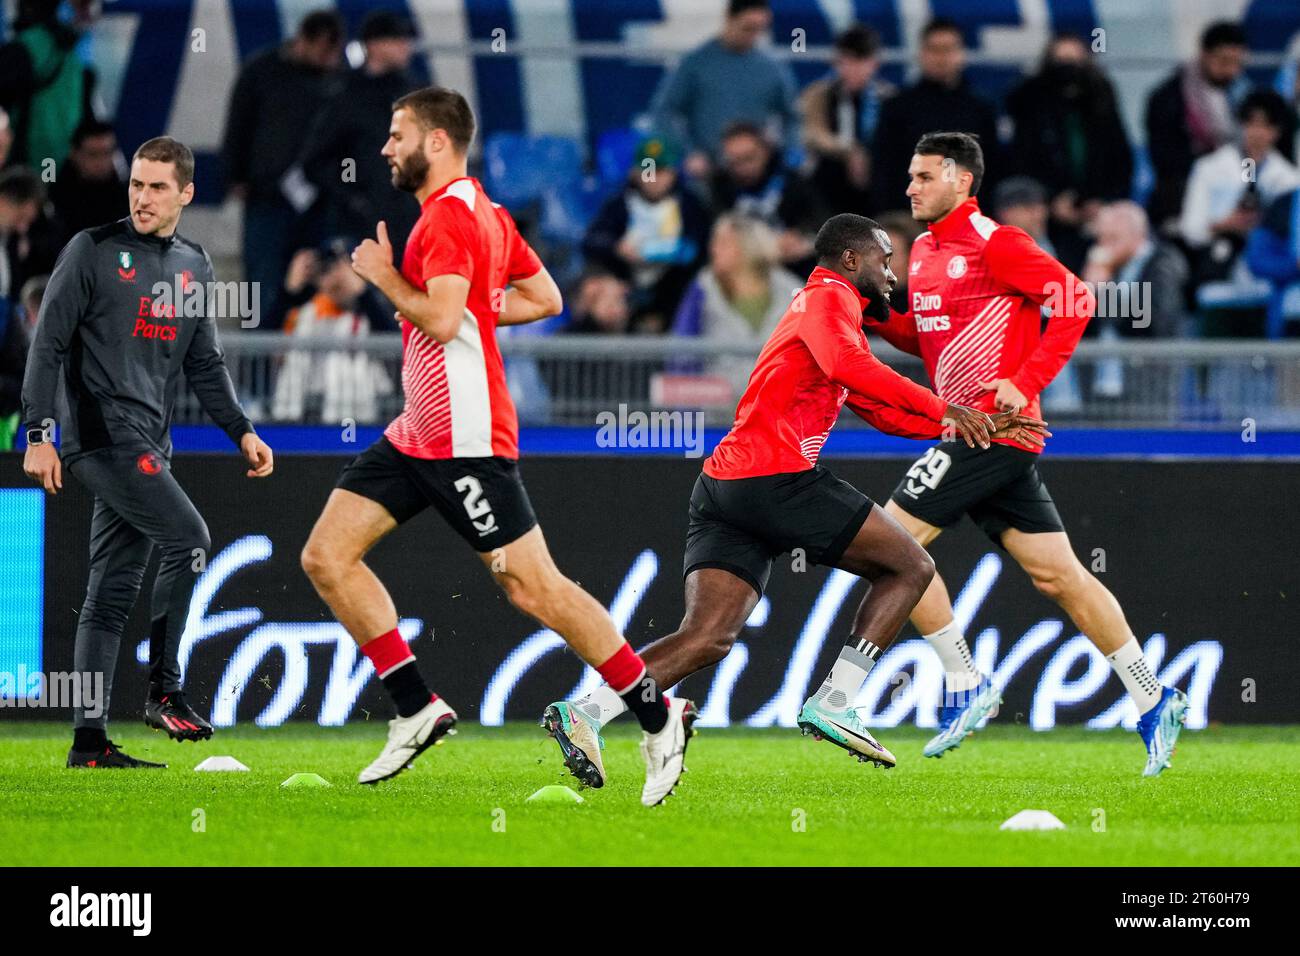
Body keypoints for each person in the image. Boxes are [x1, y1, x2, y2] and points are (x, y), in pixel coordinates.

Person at [541, 213, 1044, 788]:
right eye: (885, 260)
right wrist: (944, 406)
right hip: (774, 477)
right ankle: (836, 699)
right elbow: (849, 366)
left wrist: (963, 426)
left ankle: (586, 714)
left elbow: (875, 406)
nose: (892, 275)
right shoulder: (827, 298)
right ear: (851, 260)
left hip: (724, 488)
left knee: (707, 637)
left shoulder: (827, 312)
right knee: (912, 566)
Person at [299, 87, 693, 806]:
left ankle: (658, 716)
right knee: (326, 554)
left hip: (463, 439)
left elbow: (445, 322)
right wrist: (468, 305)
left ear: (438, 142)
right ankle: (416, 705)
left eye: (397, 135)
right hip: (415, 431)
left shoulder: (447, 221)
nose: (386, 148)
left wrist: (384, 278)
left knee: (532, 587)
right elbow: (545, 298)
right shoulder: (486, 212)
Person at [870, 132, 1188, 776]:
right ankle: (1154, 699)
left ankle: (965, 682)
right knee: (1058, 576)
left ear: (961, 180)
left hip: (994, 431)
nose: (910, 188)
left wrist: (1029, 380)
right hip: (972, 436)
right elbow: (926, 335)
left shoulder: (1000, 243)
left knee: (886, 545)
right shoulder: (927, 250)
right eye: (910, 176)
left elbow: (1073, 299)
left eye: (924, 177)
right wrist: (870, 318)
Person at [20, 136, 275, 769]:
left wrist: (241, 429)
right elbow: (46, 345)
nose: (142, 197)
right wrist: (37, 434)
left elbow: (204, 362)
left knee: (109, 593)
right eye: (136, 183)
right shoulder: (92, 250)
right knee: (189, 536)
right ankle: (165, 690)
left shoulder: (193, 264)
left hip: (149, 445)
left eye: (158, 186)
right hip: (99, 436)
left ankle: (88, 744)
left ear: (186, 194)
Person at [221, 8, 344, 322]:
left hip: (320, 202)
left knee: (317, 283)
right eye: (324, 51)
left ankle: (306, 364)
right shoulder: (261, 72)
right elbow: (238, 125)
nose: (330, 60)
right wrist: (235, 176)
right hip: (267, 198)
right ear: (303, 41)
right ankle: (260, 365)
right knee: (263, 284)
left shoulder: (340, 79)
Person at [296, 11, 421, 266]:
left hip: (409, 221)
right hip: (360, 228)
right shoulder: (346, 95)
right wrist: (354, 198)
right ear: (373, 45)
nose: (405, 46)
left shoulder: (414, 93)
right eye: (396, 39)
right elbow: (316, 161)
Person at [650, 0, 798, 180]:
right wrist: (688, 152)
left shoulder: (772, 69)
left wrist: (790, 151)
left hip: (756, 178)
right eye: (747, 27)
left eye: (760, 29)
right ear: (729, 19)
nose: (753, 36)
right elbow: (664, 110)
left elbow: (793, 116)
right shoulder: (696, 64)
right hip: (708, 174)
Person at [581, 133, 711, 333]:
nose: (654, 178)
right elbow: (592, 240)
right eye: (648, 170)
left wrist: (677, 252)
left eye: (661, 171)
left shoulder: (690, 205)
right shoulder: (619, 205)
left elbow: (701, 245)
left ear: (674, 172)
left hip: (673, 287)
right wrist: (617, 247)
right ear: (635, 172)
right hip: (628, 285)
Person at [869, 19, 1000, 214]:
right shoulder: (897, 107)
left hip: (967, 218)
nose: (941, 57)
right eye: (934, 49)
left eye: (948, 49)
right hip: (909, 219)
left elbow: (992, 168)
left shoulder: (981, 108)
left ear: (961, 54)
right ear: (922, 54)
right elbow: (883, 170)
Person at [1005, 33, 1133, 230]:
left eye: (1074, 61)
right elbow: (1022, 161)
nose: (1068, 70)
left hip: (1100, 214)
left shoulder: (1101, 101)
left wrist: (1102, 200)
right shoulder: (1032, 104)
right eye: (1061, 62)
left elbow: (1120, 158)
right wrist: (1050, 199)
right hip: (1047, 217)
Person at [1180, 90, 1300, 295]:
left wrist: (1262, 226)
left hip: (1269, 270)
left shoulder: (1289, 179)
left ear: (1278, 131)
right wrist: (1224, 224)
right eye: (1252, 123)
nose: (1258, 132)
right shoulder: (1210, 168)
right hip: (1217, 262)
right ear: (1242, 124)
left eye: (1267, 125)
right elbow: (1190, 228)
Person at [270, 237, 397, 424]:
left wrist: (362, 292)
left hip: (361, 418)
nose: (337, 278)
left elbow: (397, 344)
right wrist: (288, 292)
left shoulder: (373, 313)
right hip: (304, 413)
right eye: (327, 270)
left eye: (346, 269)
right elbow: (260, 346)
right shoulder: (304, 313)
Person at [670, 213, 802, 392]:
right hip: (716, 412)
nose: (713, 249)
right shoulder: (703, 287)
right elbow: (682, 351)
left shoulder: (791, 290)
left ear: (747, 248)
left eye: (723, 243)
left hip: (779, 408)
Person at [1145, 21, 1250, 230]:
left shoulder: (1242, 96)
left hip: (1236, 202)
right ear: (1204, 55)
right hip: (1180, 205)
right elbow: (1164, 159)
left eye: (1237, 63)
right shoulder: (1169, 98)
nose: (1231, 70)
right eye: (1224, 61)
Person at [798, 24, 895, 213]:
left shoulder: (889, 98)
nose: (853, 69)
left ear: (875, 63)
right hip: (829, 186)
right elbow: (811, 132)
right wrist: (848, 152)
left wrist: (868, 157)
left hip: (875, 187)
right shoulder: (819, 94)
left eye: (860, 61)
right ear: (837, 62)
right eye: (847, 61)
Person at [710, 121, 825, 271]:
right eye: (735, 162)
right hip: (747, 268)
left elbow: (822, 221)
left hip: (795, 266)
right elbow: (718, 233)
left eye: (749, 158)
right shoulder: (720, 187)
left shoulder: (792, 180)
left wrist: (802, 236)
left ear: (765, 151)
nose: (743, 168)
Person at [0, 0, 97, 170]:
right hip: (34, 164)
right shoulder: (28, 48)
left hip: (56, 163)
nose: (89, 13)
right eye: (81, 5)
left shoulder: (72, 51)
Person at [49, 118, 125, 236]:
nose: (101, 162)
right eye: (93, 154)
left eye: (107, 153)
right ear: (74, 154)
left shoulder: (128, 197)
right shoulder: (55, 198)